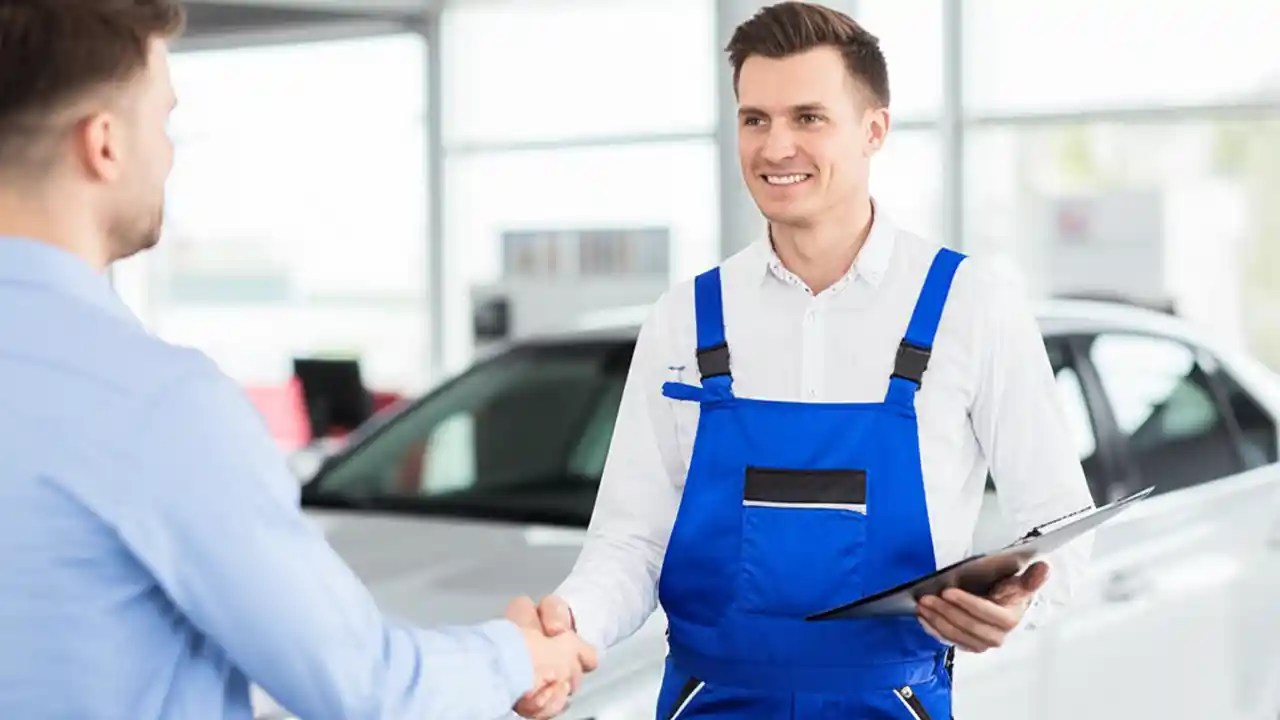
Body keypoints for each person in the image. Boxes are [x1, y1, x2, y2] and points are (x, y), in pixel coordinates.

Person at [0, 2, 594, 719]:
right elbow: (365, 688)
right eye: (163, 121)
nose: (170, 152)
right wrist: (523, 656)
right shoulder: (152, 402)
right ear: (104, 144)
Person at [515, 2, 1096, 718]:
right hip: (710, 703)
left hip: (894, 702)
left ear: (873, 130)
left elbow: (1062, 527)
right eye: (754, 119)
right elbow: (632, 540)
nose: (774, 145)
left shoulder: (971, 306)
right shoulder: (685, 319)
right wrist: (570, 629)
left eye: (808, 118)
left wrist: (1016, 604)